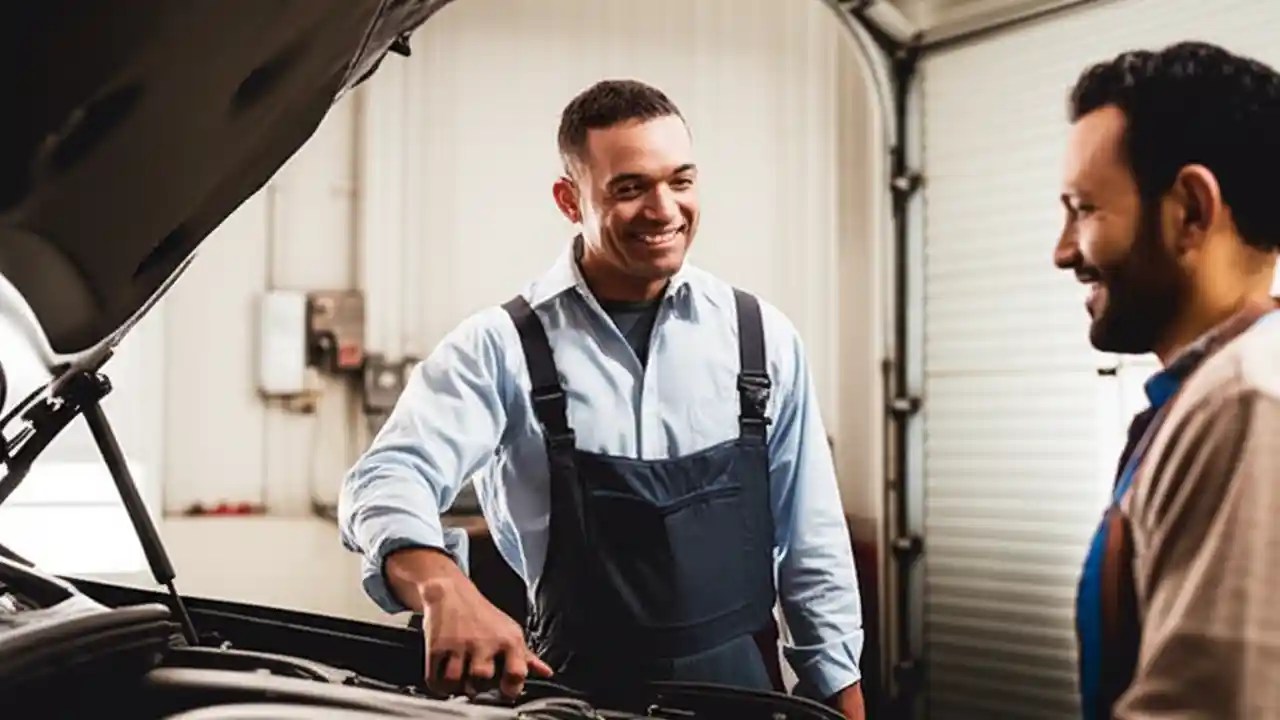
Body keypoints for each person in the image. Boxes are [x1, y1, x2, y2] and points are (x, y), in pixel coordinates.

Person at [338, 78, 866, 718]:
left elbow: (812, 543)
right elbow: (385, 477)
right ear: (569, 199)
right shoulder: (502, 347)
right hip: (577, 697)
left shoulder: (762, 339)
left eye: (681, 181)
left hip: (742, 693)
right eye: (630, 187)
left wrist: (841, 692)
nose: (664, 208)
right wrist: (442, 586)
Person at [1054, 41, 1280, 719]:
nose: (1062, 249)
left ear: (1189, 210)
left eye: (1083, 208)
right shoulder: (1216, 387)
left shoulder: (1249, 402)